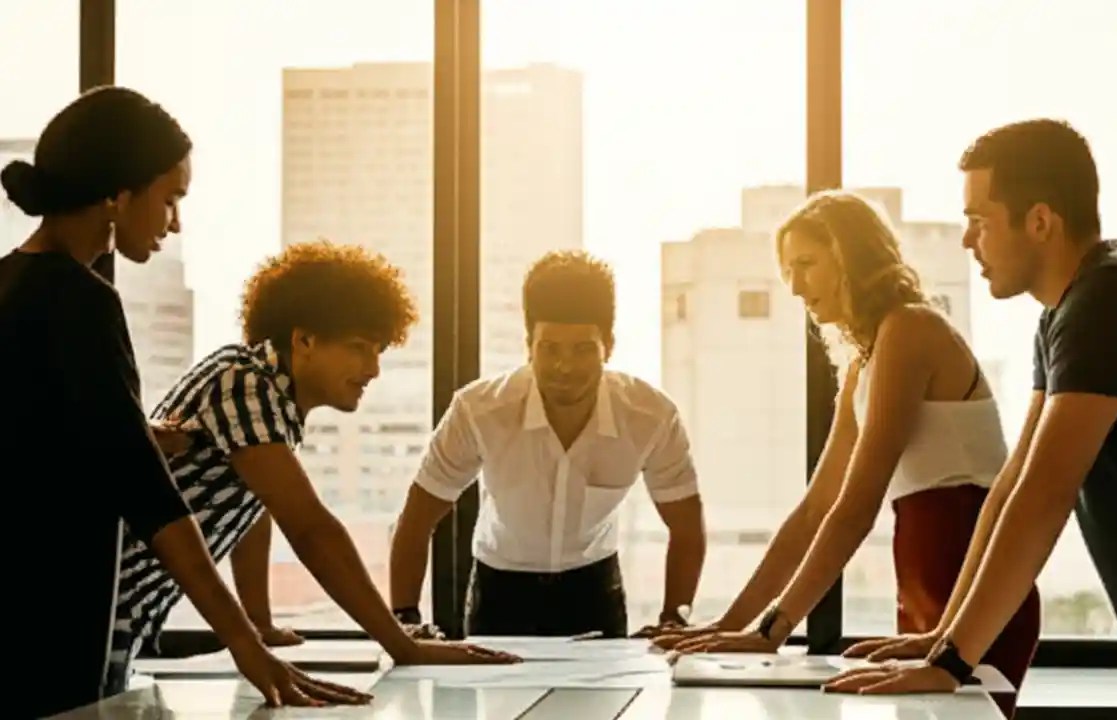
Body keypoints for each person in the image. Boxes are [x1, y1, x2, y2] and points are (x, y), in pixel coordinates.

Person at [823, 119, 1117, 720]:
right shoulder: (1068, 312)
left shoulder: (1110, 299)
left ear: (1039, 221)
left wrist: (953, 663)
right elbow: (1013, 483)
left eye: (979, 221)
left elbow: (1045, 496)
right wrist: (945, 639)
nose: (966, 240)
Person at [0, 86, 370, 718]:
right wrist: (247, 647)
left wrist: (135, 434)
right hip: (47, 616)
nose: (175, 222)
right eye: (170, 198)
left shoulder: (9, 282)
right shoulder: (82, 300)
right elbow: (148, 497)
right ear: (118, 192)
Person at [651, 190, 1039, 717]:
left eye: (807, 264)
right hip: (924, 589)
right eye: (788, 269)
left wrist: (772, 630)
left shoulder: (911, 329)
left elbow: (856, 508)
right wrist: (731, 626)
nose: (793, 287)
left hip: (974, 590)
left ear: (851, 256)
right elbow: (816, 510)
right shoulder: (866, 362)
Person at [107, 239, 520, 693]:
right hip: (90, 606)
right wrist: (402, 645)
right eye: (360, 348)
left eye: (378, 350)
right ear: (304, 341)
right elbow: (311, 530)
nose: (373, 369)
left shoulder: (271, 400)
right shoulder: (246, 383)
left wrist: (259, 621)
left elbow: (254, 502)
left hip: (124, 614)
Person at [389, 250, 706, 639]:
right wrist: (404, 619)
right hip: (499, 591)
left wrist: (674, 618)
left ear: (608, 344)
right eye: (550, 348)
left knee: (605, 701)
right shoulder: (479, 410)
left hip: (595, 590)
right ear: (528, 345)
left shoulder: (651, 416)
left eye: (583, 349)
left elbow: (687, 528)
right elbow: (417, 520)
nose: (565, 367)